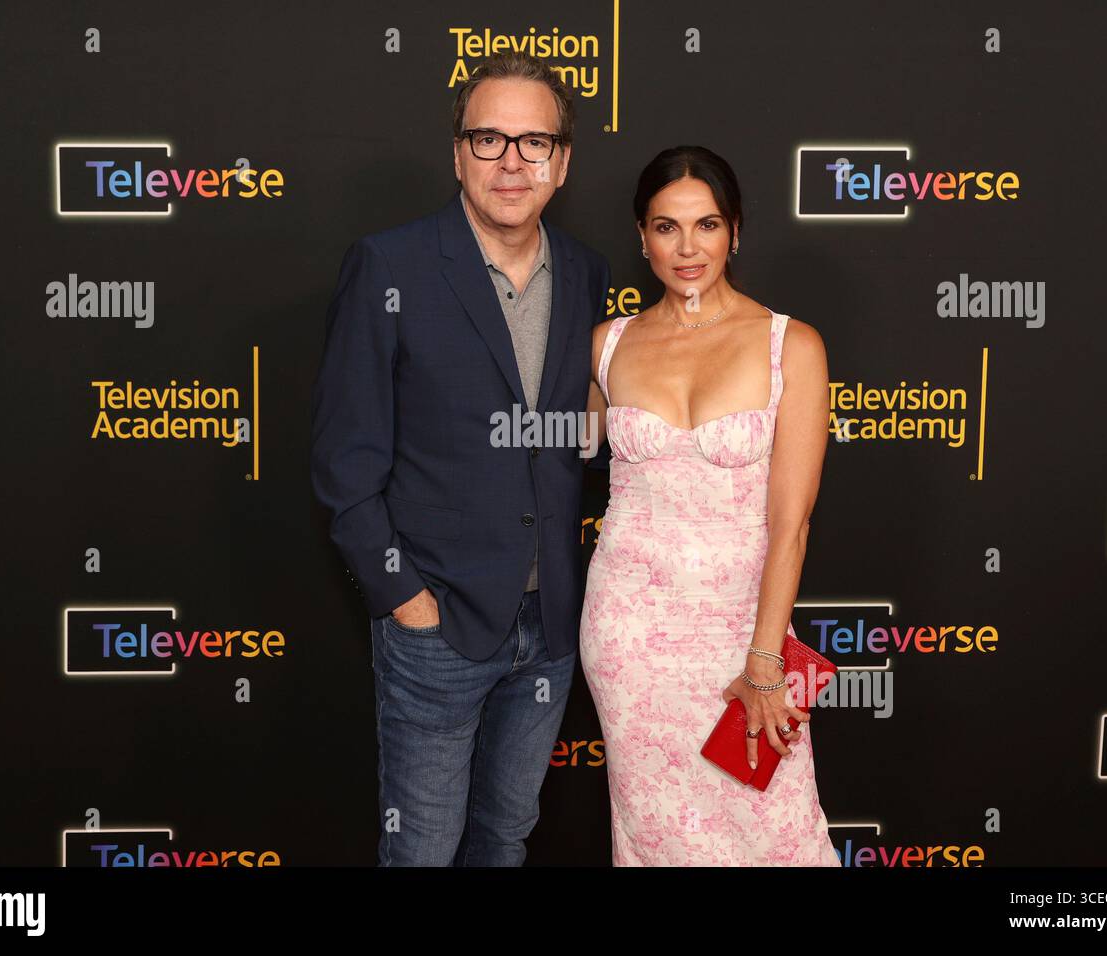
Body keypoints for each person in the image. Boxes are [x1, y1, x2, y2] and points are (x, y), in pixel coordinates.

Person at [311, 51, 611, 866]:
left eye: (533, 141)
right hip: (437, 621)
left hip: (549, 626)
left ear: (563, 161)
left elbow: (570, 433)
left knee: (506, 839)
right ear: (456, 153)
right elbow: (346, 461)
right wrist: (404, 596)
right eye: (488, 138)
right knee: (423, 852)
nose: (511, 162)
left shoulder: (586, 273)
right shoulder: (390, 266)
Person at [579, 145, 840, 865]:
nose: (687, 247)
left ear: (735, 232)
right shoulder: (607, 346)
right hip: (627, 634)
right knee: (653, 829)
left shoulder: (793, 346)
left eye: (707, 225)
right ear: (641, 236)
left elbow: (791, 525)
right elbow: (547, 463)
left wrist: (764, 663)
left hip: (741, 634)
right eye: (666, 227)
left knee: (772, 829)